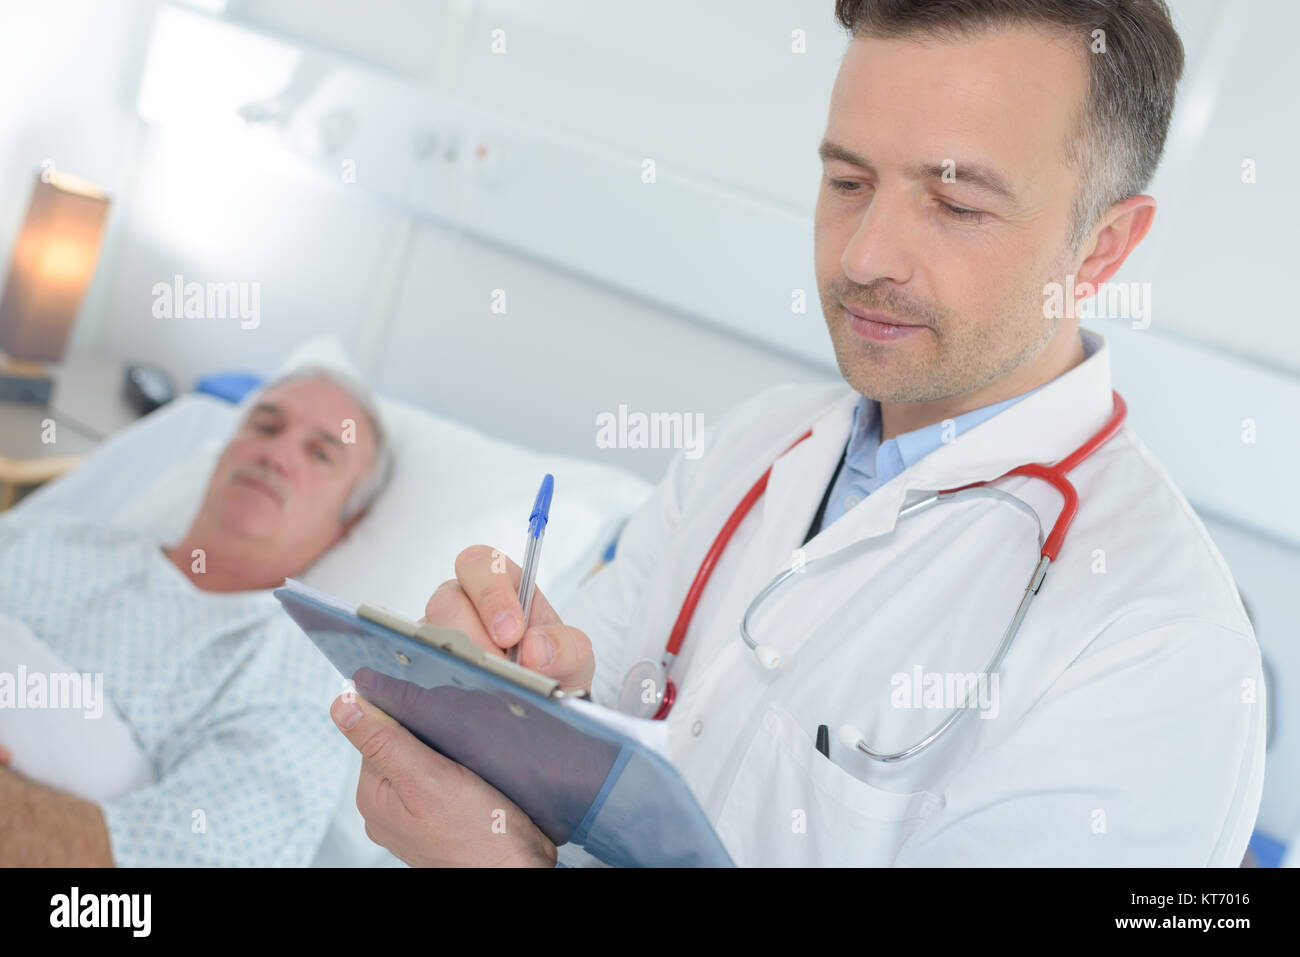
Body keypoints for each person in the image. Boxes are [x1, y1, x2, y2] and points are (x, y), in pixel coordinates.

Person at [331, 0, 1265, 866]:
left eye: (956, 205)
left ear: (1102, 249)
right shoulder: (757, 443)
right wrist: (512, 692)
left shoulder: (1161, 648)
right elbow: (594, 703)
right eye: (848, 180)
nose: (864, 256)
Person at [0, 367, 393, 866]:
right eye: (266, 427)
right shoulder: (55, 538)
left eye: (320, 454)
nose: (274, 455)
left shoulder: (295, 677)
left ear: (349, 520)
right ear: (226, 448)